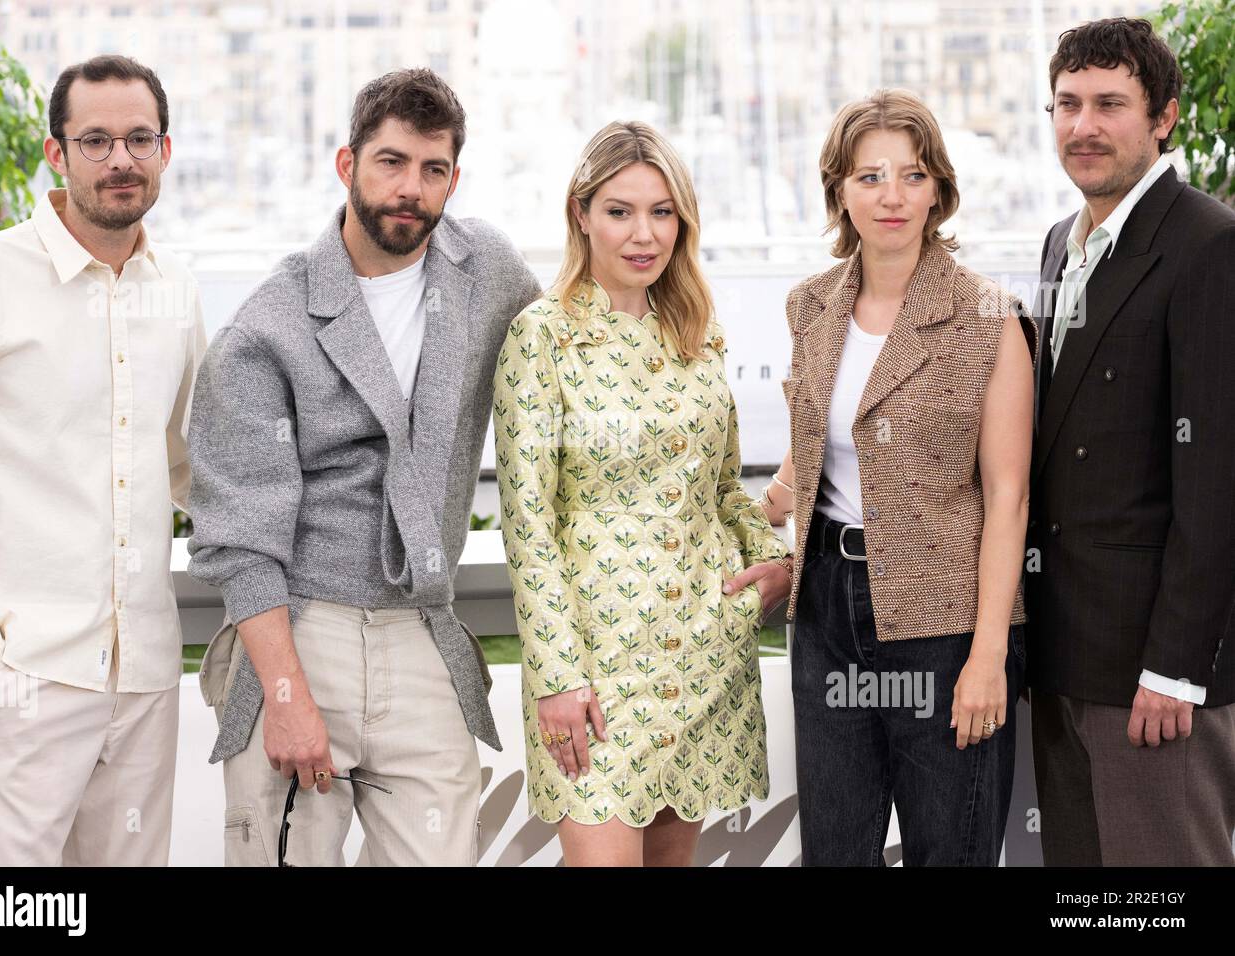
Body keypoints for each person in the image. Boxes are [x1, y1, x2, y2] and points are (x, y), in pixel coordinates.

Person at [186, 68, 540, 866]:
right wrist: (284, 696)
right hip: (301, 633)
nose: (409, 188)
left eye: (432, 168)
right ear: (346, 166)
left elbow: (569, 359)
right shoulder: (262, 330)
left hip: (422, 627)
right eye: (390, 163)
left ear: (454, 177)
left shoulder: (487, 269)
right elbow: (241, 545)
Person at [493, 121, 792, 867]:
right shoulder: (542, 337)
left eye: (662, 212)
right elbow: (529, 525)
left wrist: (776, 562)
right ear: (580, 214)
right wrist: (558, 677)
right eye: (620, 210)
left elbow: (723, 491)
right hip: (590, 671)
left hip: (699, 651)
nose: (643, 233)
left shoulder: (696, 334)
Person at [0, 55, 206, 865]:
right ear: (55, 153)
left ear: (164, 149)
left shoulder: (177, 291)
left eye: (138, 138)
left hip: (146, 671)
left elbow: (193, 468)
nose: (120, 159)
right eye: (95, 141)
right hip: (27, 669)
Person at [782, 89, 1036, 865]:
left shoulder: (988, 318)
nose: (892, 194)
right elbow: (807, 464)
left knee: (950, 851)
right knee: (835, 851)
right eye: (868, 177)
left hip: (947, 625)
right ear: (839, 193)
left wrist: (989, 653)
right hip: (826, 610)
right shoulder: (809, 308)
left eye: (912, 174)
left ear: (939, 191)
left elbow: (1009, 498)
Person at [1027, 17, 1235, 866]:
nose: (1084, 126)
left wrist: (1177, 669)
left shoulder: (1210, 246)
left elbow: (1218, 476)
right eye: (1068, 104)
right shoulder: (1058, 245)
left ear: (1164, 119)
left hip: (1155, 674)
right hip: (1064, 652)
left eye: (1110, 103)